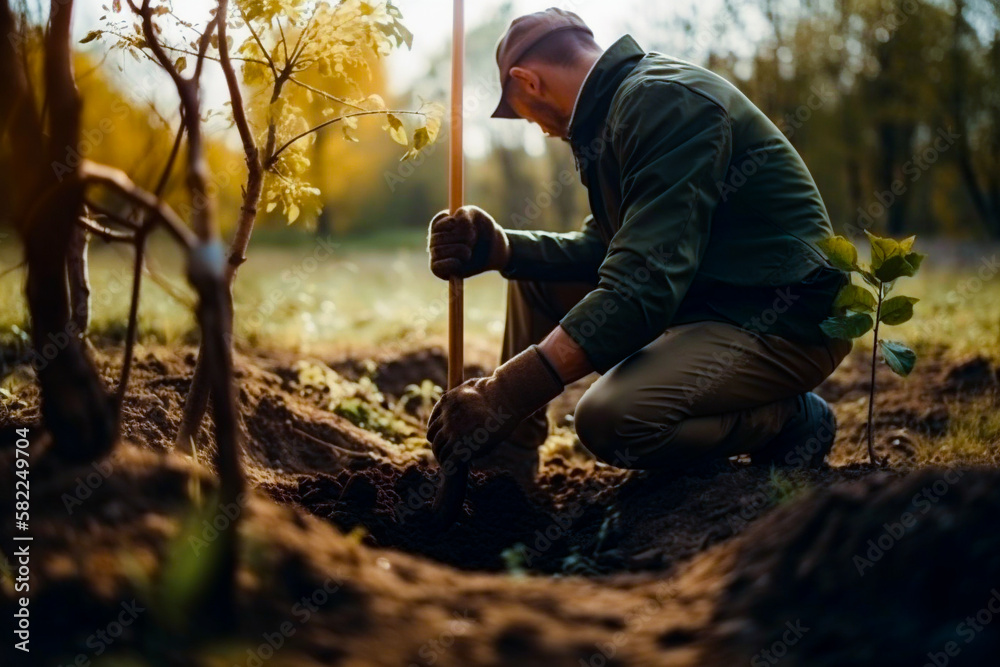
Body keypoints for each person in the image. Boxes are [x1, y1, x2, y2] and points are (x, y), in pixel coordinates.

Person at [425, 8, 851, 485]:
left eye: (520, 114)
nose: (535, 128)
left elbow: (642, 285)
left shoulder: (662, 102)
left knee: (613, 420)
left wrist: (506, 392)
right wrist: (501, 248)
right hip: (710, 299)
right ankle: (505, 470)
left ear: (528, 82)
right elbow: (607, 248)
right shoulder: (616, 112)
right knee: (536, 279)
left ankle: (789, 420)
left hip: (780, 315)